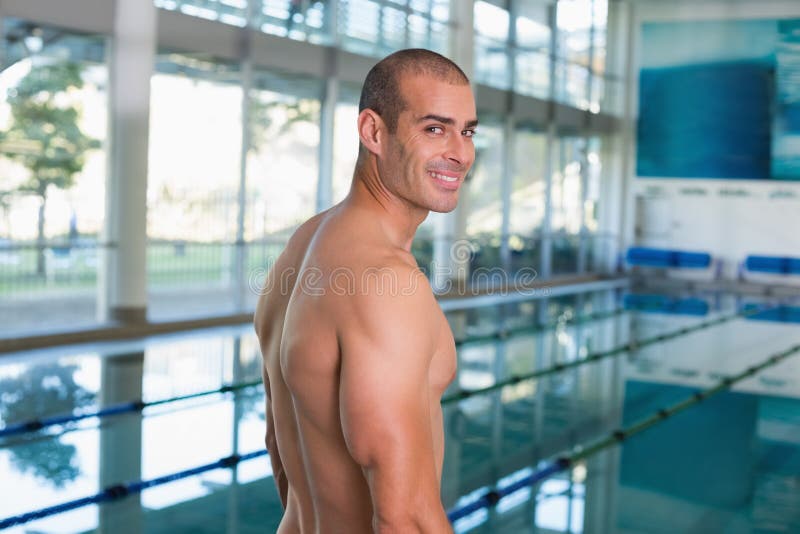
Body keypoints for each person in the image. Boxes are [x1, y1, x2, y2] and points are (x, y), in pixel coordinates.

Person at [254, 48, 477, 533]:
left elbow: (279, 444)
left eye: (468, 130)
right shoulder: (385, 282)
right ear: (374, 132)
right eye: (435, 129)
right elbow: (405, 517)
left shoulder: (302, 248)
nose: (460, 153)